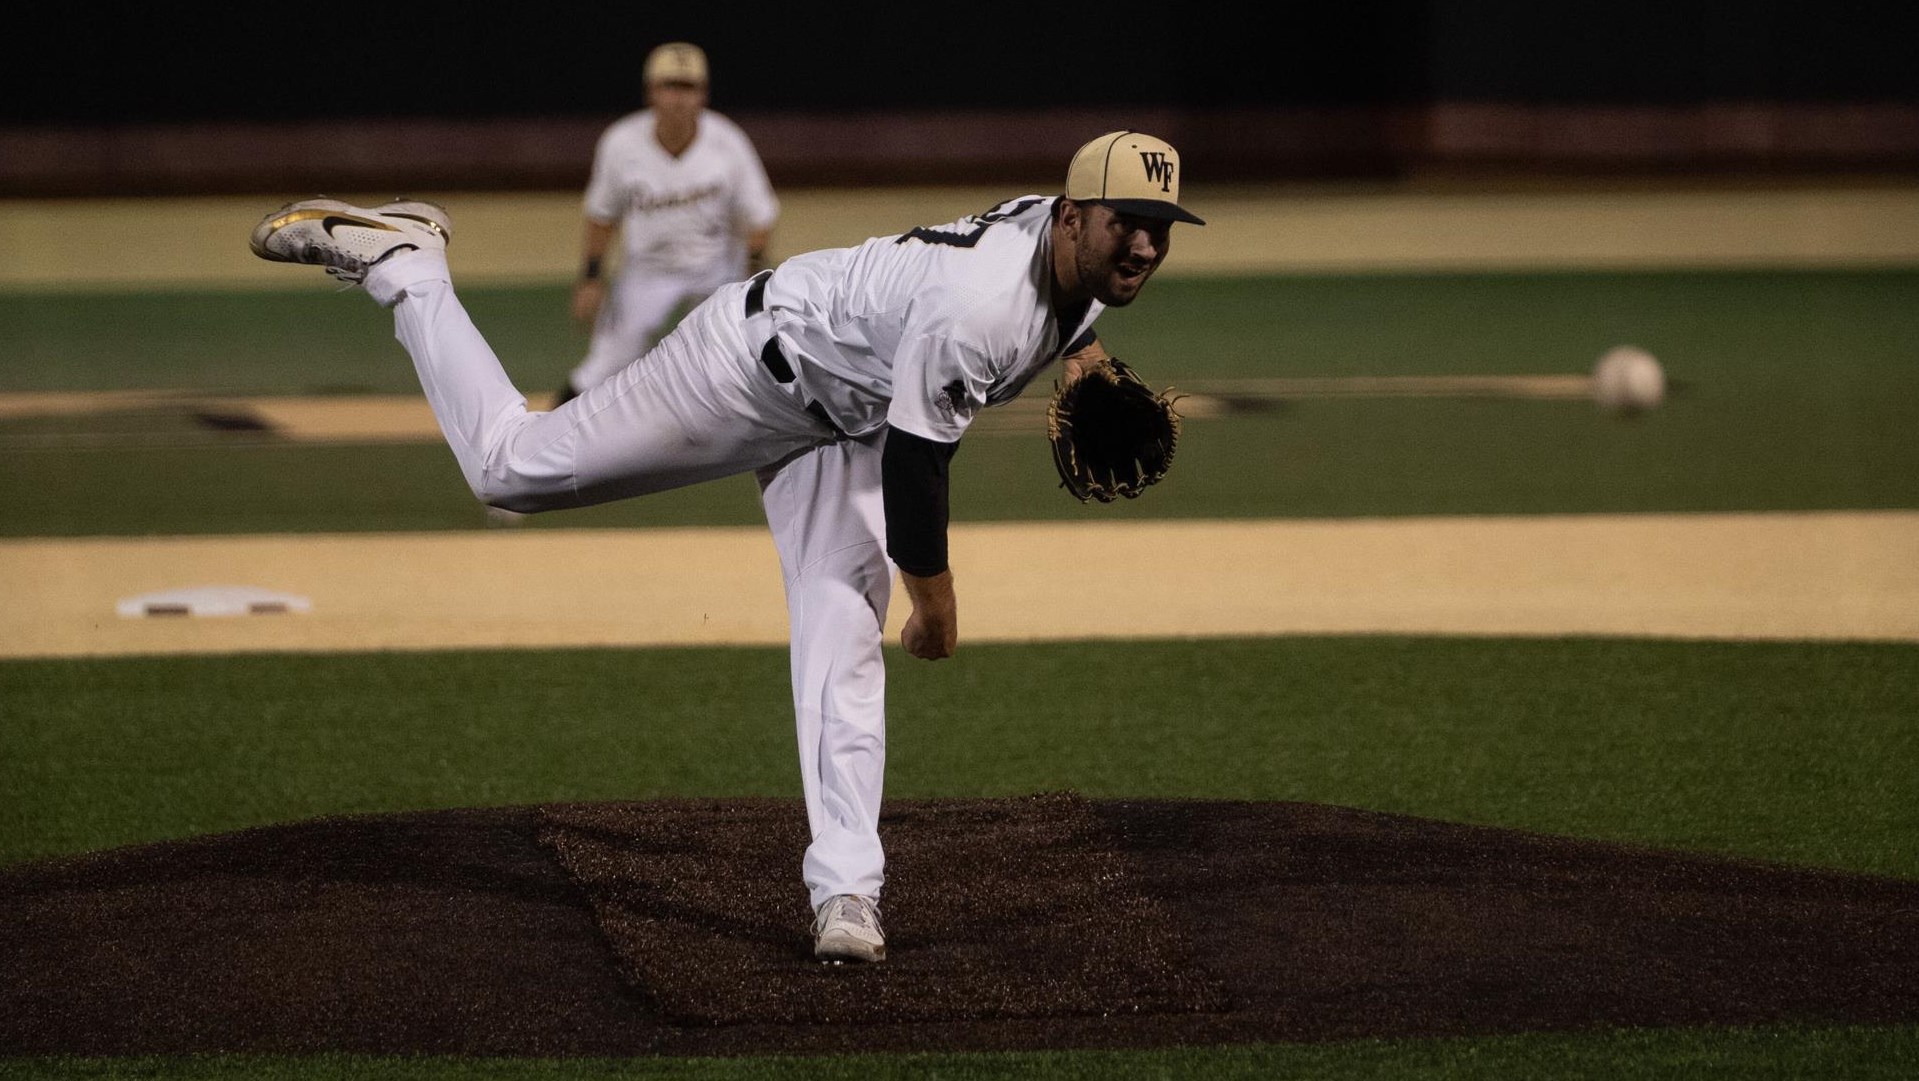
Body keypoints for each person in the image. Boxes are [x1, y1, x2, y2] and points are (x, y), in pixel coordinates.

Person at [247, 130, 1204, 964]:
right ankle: (407, 265)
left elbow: (1061, 316)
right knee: (512, 469)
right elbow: (919, 470)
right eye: (1127, 221)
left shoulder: (1068, 249)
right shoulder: (980, 307)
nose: (1147, 243)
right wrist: (938, 608)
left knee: (839, 633)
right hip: (748, 371)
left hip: (845, 412)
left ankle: (846, 893)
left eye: (1160, 225)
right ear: (1074, 215)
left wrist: (1085, 360)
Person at [558, 41, 779, 408]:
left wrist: (752, 283)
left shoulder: (728, 142)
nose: (679, 98)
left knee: (743, 361)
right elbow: (602, 215)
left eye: (688, 87)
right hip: (647, 272)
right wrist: (591, 278)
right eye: (669, 86)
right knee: (605, 366)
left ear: (704, 95)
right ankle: (545, 437)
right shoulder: (621, 143)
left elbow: (760, 217)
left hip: (715, 273)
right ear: (651, 93)